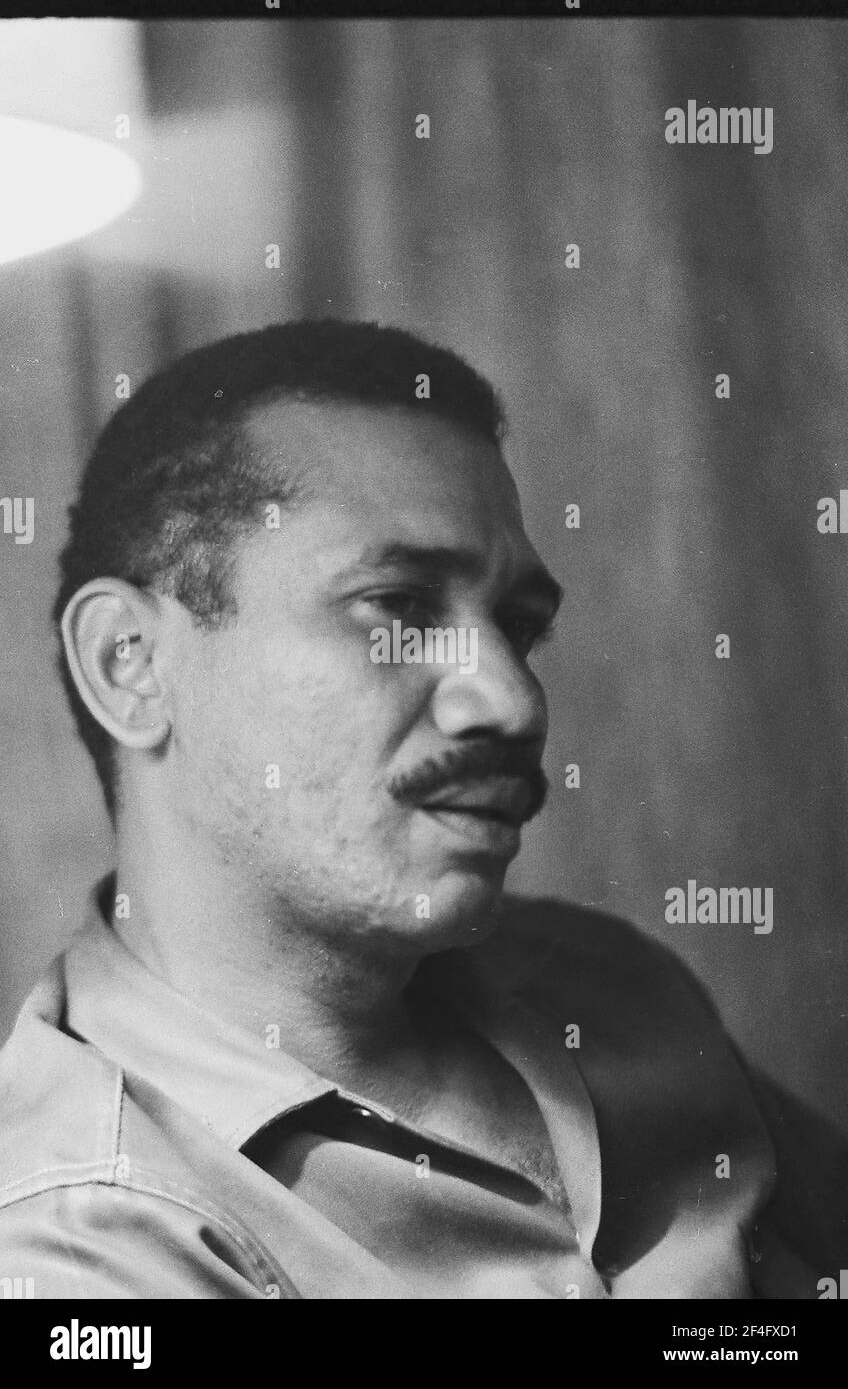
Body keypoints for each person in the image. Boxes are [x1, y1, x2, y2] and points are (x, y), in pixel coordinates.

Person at [0, 321, 842, 1299]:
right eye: (396, 606)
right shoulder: (78, 1250)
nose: (514, 701)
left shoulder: (611, 985)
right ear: (130, 665)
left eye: (519, 627)